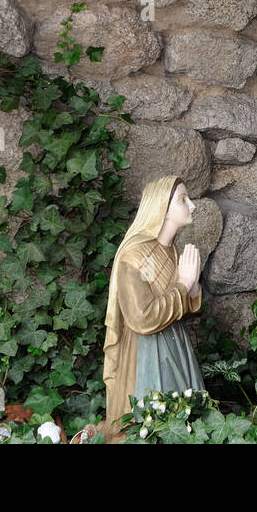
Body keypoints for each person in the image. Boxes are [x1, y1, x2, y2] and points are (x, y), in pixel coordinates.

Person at [102, 175, 205, 440]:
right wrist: (183, 284)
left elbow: (181, 302)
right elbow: (142, 317)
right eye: (183, 199)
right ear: (162, 207)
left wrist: (192, 288)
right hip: (145, 354)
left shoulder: (170, 250)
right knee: (149, 423)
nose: (192, 205)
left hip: (175, 348)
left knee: (183, 419)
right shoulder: (135, 256)